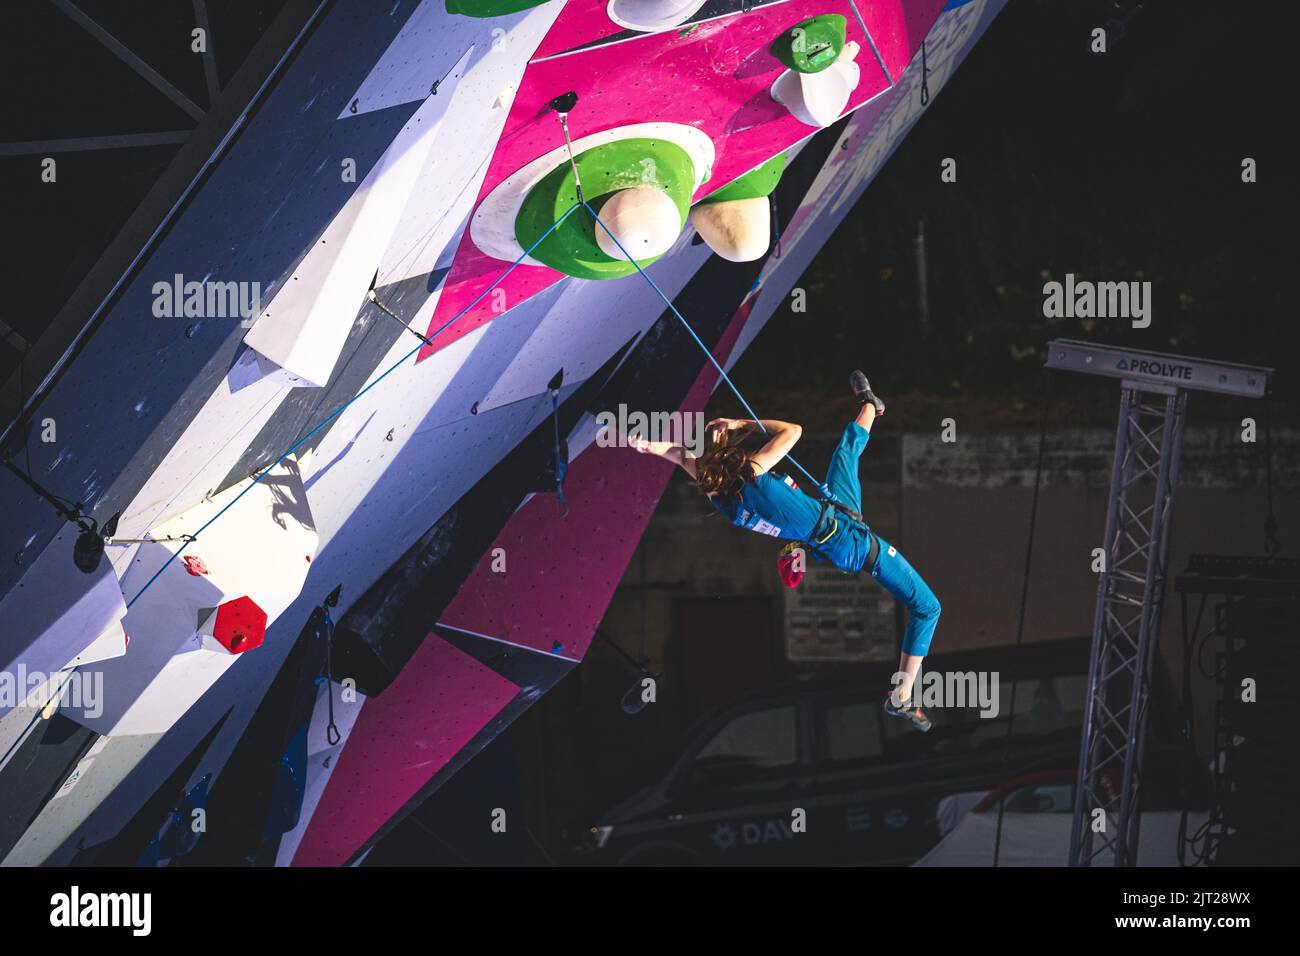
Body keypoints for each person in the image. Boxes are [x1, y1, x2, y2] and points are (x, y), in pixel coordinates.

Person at [630, 371, 939, 732]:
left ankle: (871, 404)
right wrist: (742, 421)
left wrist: (644, 445)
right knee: (928, 607)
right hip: (848, 542)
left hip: (835, 518)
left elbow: (680, 455)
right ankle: (901, 696)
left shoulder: (723, 496)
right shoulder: (752, 472)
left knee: (846, 453)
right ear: (733, 454)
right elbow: (793, 431)